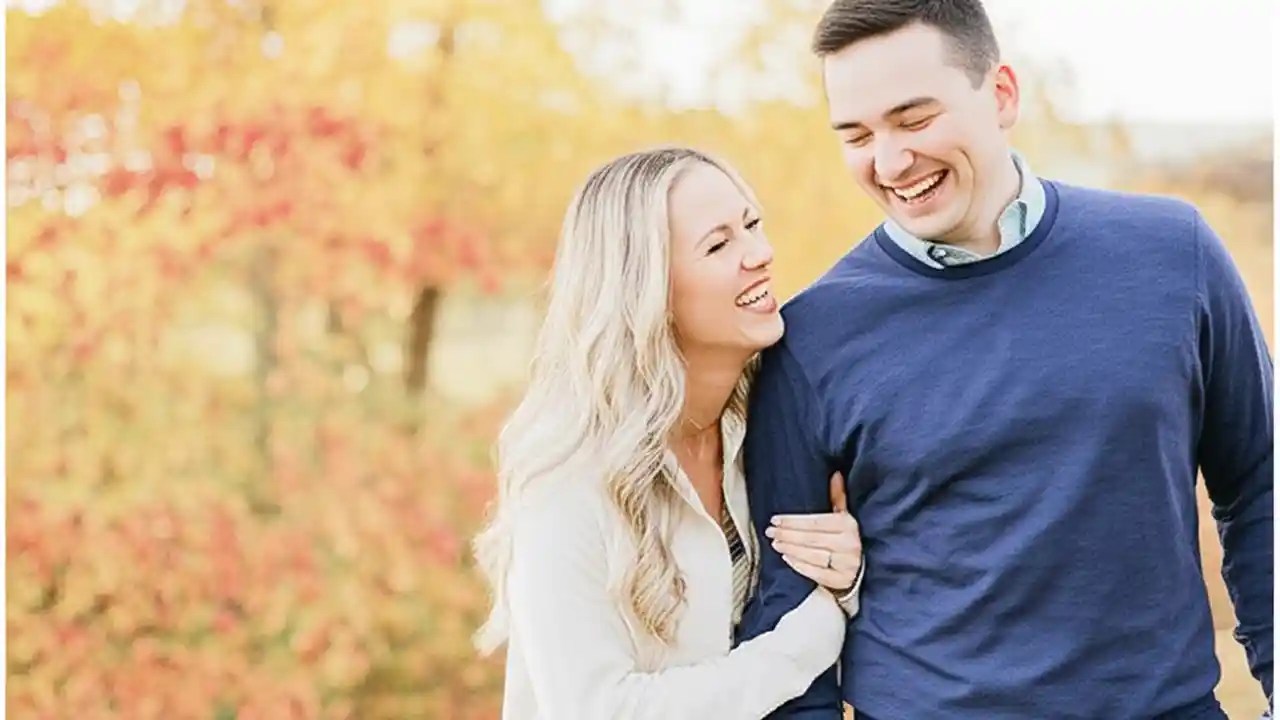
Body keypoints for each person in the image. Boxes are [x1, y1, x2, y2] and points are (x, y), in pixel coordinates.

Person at [736, 1, 1274, 718]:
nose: (890, 162)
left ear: (1001, 95)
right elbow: (787, 601)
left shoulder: (1174, 254)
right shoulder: (810, 337)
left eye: (915, 119)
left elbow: (1260, 482)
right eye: (857, 134)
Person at [472, 147, 867, 719]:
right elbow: (599, 710)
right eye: (718, 244)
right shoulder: (567, 483)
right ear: (647, 288)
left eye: (752, 225)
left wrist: (847, 575)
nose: (760, 254)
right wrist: (815, 631)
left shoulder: (766, 427)